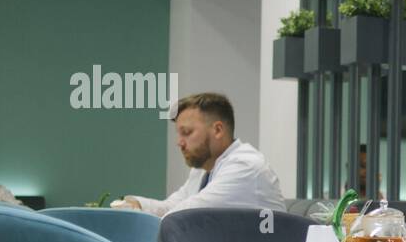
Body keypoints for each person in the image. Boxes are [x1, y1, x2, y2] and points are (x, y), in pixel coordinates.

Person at [122, 92, 285, 216]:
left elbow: (186, 215)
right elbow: (173, 205)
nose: (179, 142)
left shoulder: (246, 166)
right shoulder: (203, 169)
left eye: (186, 132)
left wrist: (142, 216)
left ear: (218, 130)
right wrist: (138, 204)